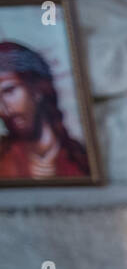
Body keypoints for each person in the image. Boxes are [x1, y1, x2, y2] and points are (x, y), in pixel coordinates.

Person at [0, 42, 89, 181]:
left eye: (9, 90)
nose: (3, 108)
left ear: (37, 89)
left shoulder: (80, 158)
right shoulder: (4, 159)